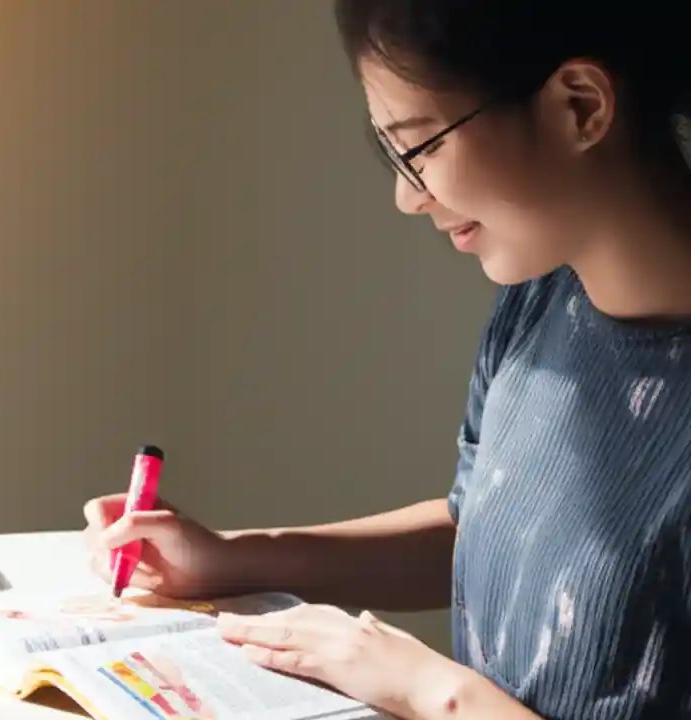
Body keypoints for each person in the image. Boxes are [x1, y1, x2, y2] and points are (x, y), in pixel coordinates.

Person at [83, 3, 691, 719]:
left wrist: (432, 691)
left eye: (420, 147)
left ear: (579, 106)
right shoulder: (540, 305)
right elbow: (488, 528)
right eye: (390, 153)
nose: (408, 196)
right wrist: (234, 558)